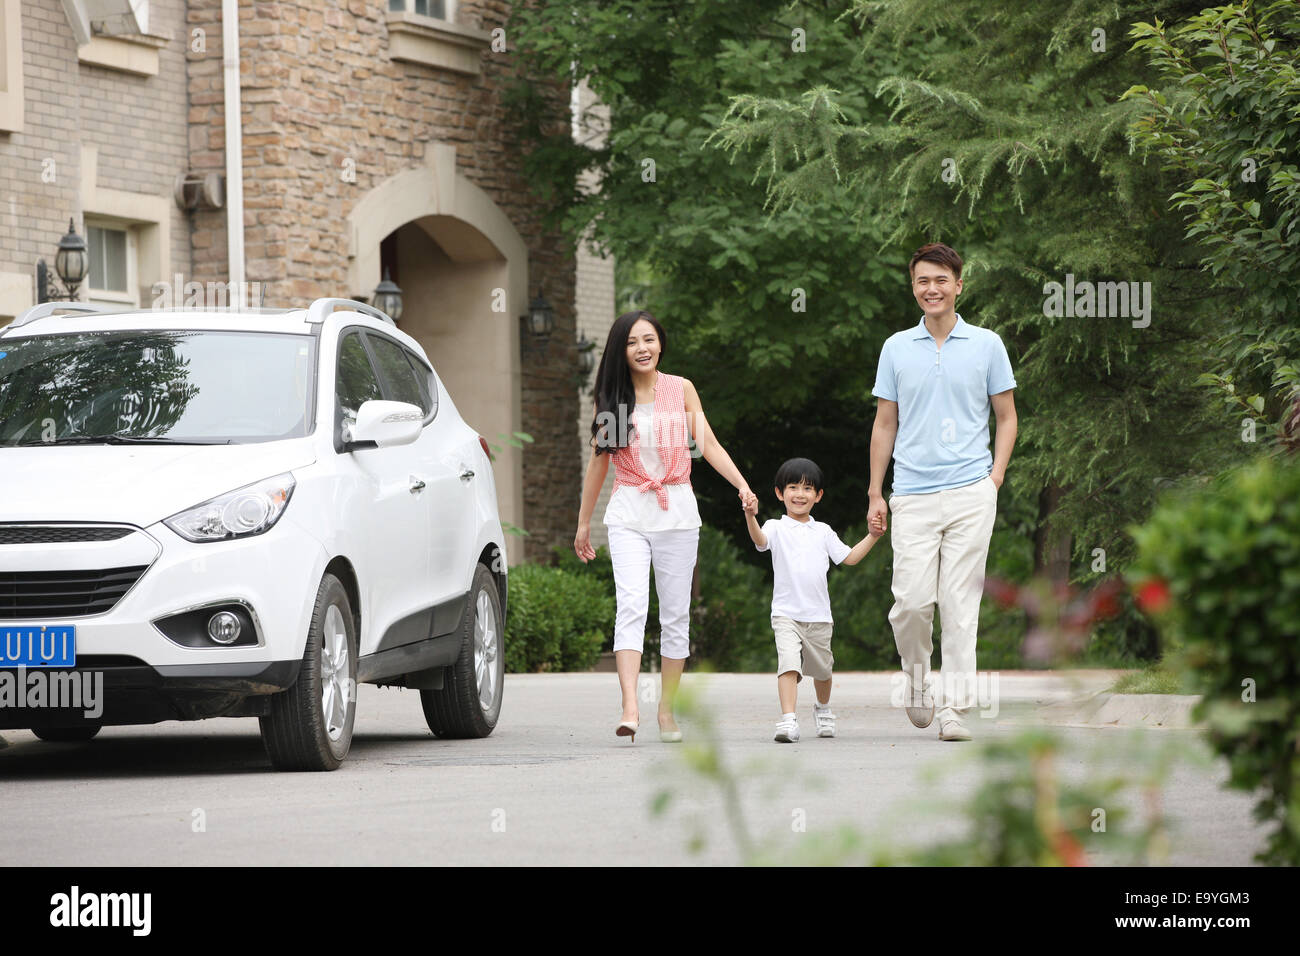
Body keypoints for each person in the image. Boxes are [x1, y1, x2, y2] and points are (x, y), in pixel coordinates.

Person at [574, 310, 758, 743]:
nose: (642, 348)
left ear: (660, 344)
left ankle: (667, 712)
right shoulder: (613, 397)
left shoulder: (680, 389)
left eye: (649, 339)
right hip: (629, 512)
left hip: (676, 511)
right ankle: (630, 707)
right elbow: (599, 464)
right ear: (621, 350)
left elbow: (707, 444)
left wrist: (742, 485)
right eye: (632, 342)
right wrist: (583, 523)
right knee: (632, 605)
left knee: (676, 614)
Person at [868, 242, 1018, 742]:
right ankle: (916, 679)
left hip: (971, 492)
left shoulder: (987, 345)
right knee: (910, 604)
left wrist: (995, 477)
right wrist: (875, 492)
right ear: (913, 287)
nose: (931, 289)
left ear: (958, 285)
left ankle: (954, 708)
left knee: (959, 605)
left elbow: (1006, 416)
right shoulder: (895, 348)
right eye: (922, 281)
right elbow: (884, 423)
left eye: (940, 280)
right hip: (911, 493)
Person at [744, 457, 880, 743]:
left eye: (807, 488)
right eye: (793, 487)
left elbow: (849, 557)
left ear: (818, 496)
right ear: (780, 493)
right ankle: (788, 720)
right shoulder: (775, 527)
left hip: (819, 616)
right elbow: (759, 540)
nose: (800, 494)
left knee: (823, 671)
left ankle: (823, 707)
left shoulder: (823, 531)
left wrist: (873, 536)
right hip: (786, 614)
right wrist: (750, 515)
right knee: (788, 665)